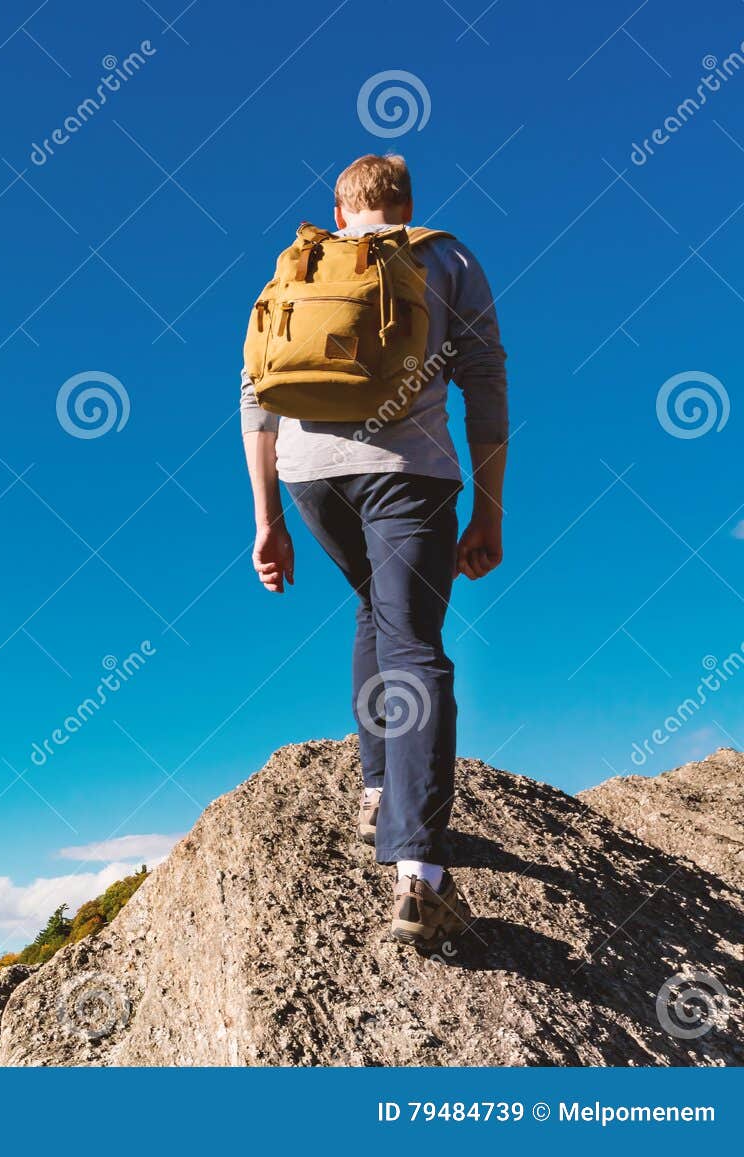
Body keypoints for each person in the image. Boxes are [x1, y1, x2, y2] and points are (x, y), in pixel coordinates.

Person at [239, 153, 508, 946]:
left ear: (341, 206)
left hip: (307, 478)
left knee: (375, 611)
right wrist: (488, 511)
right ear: (406, 202)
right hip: (406, 471)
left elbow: (255, 396)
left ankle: (375, 792)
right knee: (415, 643)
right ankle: (419, 874)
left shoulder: (295, 265)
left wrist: (267, 519)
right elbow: (486, 384)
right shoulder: (446, 254)